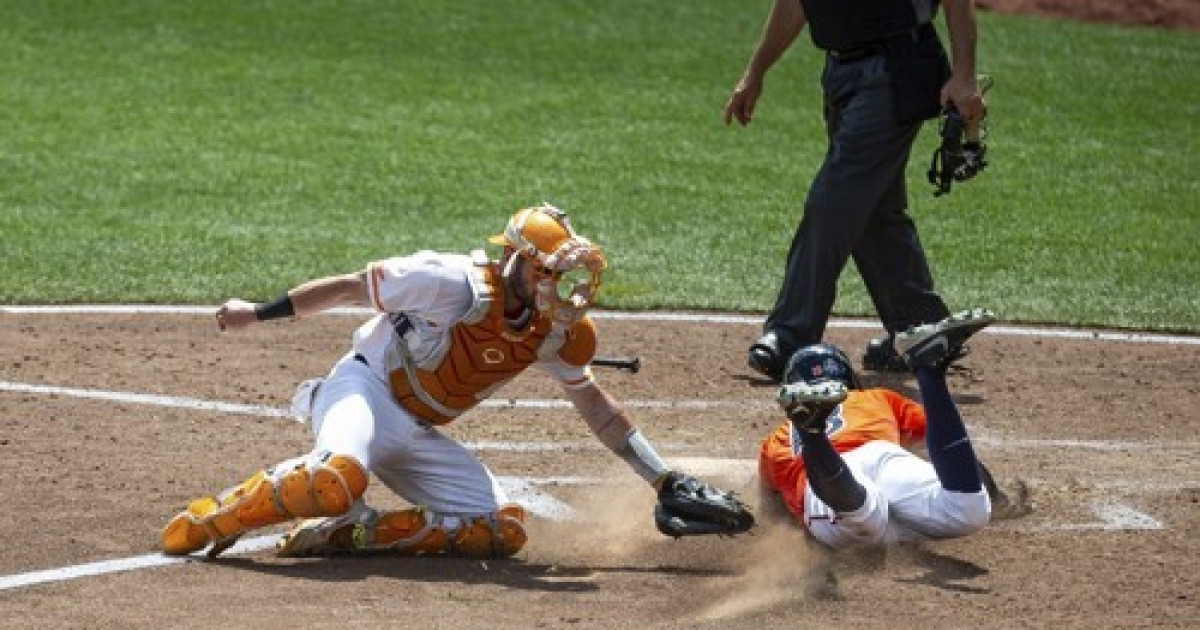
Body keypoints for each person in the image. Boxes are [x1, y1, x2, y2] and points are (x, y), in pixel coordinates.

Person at [161, 203, 737, 559]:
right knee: (336, 476)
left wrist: (661, 479)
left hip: (416, 431)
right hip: (360, 391)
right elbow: (345, 288)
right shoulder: (446, 282)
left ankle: (347, 536)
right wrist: (256, 313)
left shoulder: (559, 329)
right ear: (516, 262)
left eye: (569, 279)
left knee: (499, 530)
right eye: (550, 275)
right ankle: (218, 514)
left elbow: (598, 408)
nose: (563, 292)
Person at [724, 0, 987, 381]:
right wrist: (755, 71)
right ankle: (920, 331)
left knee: (833, 201)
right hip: (841, 74)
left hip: (895, 69)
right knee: (872, 211)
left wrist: (965, 73)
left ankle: (790, 335)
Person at [758, 308, 994, 548]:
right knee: (970, 512)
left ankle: (813, 434)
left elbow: (771, 504)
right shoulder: (876, 398)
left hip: (829, 479)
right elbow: (940, 431)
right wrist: (989, 489)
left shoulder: (777, 440)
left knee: (867, 521)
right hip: (883, 456)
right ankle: (929, 372)